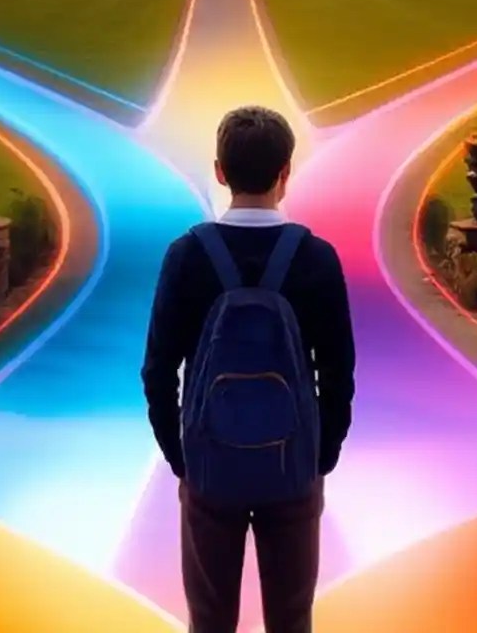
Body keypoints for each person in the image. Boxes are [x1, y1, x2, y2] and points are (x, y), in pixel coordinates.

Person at [141, 106, 356, 633]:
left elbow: (157, 370)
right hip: (292, 465)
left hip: (210, 466)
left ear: (219, 171)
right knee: (291, 618)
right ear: (286, 173)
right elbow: (339, 372)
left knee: (210, 620)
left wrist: (182, 458)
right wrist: (319, 457)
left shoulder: (186, 256)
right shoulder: (316, 258)